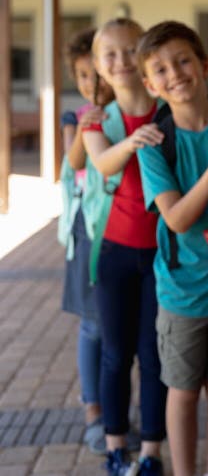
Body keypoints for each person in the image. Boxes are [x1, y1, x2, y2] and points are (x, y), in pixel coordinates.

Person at [136, 20, 208, 476]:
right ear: (150, 85)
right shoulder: (155, 144)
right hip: (181, 289)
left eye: (183, 60)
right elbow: (177, 218)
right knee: (183, 390)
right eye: (161, 69)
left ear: (203, 65)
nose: (175, 73)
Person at [81, 18, 167, 476]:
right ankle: (117, 448)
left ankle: (152, 452)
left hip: (162, 253)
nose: (121, 61)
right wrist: (132, 141)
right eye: (110, 54)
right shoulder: (95, 119)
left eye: (131, 50)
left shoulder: (165, 111)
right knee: (116, 354)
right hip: (114, 251)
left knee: (154, 355)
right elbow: (101, 161)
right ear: (98, 65)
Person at [57, 27, 114, 455]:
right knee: (93, 325)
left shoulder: (128, 113)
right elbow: (76, 159)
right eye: (81, 75)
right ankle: (94, 407)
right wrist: (87, 122)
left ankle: (115, 407)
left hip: (122, 229)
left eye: (96, 73)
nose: (90, 83)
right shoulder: (79, 117)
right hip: (89, 229)